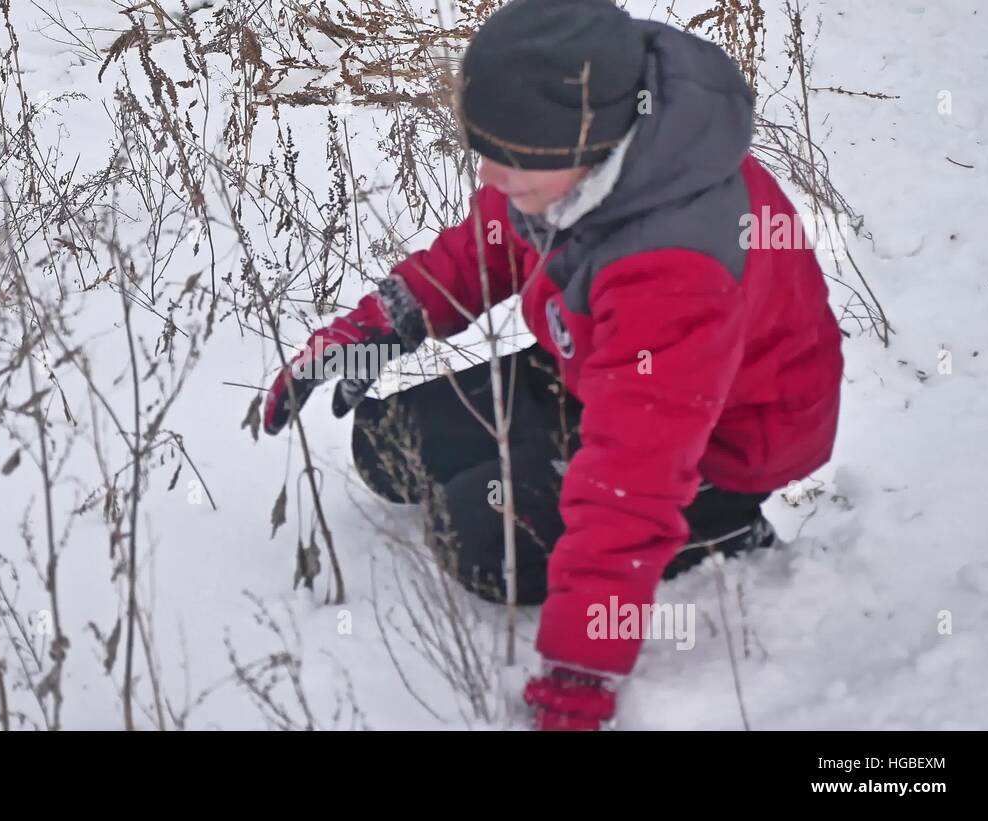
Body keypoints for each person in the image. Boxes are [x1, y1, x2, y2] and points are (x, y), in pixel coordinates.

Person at [261, 0, 843, 730]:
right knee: (385, 446)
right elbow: (490, 243)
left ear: (594, 147)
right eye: (485, 148)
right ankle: (557, 452)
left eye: (510, 159)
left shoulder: (675, 264)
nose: (488, 174)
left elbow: (631, 485)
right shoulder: (569, 158)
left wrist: (578, 679)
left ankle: (723, 524)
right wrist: (381, 326)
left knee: (470, 538)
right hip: (604, 368)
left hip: (720, 440)